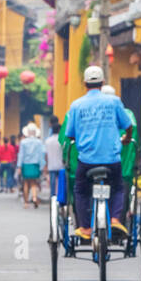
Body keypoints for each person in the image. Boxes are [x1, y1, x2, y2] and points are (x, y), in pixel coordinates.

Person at [62, 65, 134, 240]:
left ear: (85, 84)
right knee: (117, 187)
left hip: (87, 161)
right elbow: (128, 125)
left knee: (80, 190)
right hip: (111, 159)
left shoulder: (76, 105)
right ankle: (116, 219)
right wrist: (125, 138)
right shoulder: (114, 102)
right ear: (102, 83)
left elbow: (70, 134)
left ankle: (85, 227)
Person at [17, 122, 46, 208]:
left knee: (26, 183)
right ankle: (34, 198)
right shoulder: (39, 142)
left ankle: (26, 202)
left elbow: (21, 155)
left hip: (26, 164)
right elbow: (41, 155)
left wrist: (19, 166)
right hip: (35, 165)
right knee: (34, 183)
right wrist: (42, 166)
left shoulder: (23, 142)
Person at [44, 122, 64, 204]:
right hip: (61, 166)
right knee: (61, 185)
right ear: (60, 130)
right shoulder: (62, 141)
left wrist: (46, 165)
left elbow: (46, 155)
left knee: (52, 185)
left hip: (51, 166)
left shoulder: (47, 141)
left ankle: (52, 200)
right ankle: (61, 200)